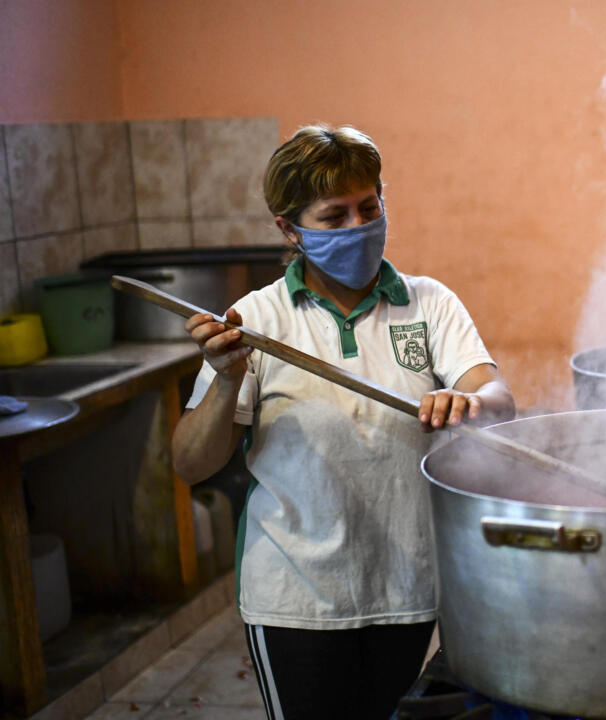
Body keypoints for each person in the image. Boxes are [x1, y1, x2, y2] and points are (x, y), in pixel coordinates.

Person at [171, 125, 515, 720]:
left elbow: (499, 398)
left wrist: (471, 405)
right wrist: (227, 379)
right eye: (333, 217)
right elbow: (190, 463)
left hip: (408, 587)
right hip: (297, 596)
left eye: (369, 206)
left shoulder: (428, 303)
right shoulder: (255, 319)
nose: (358, 227)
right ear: (289, 229)